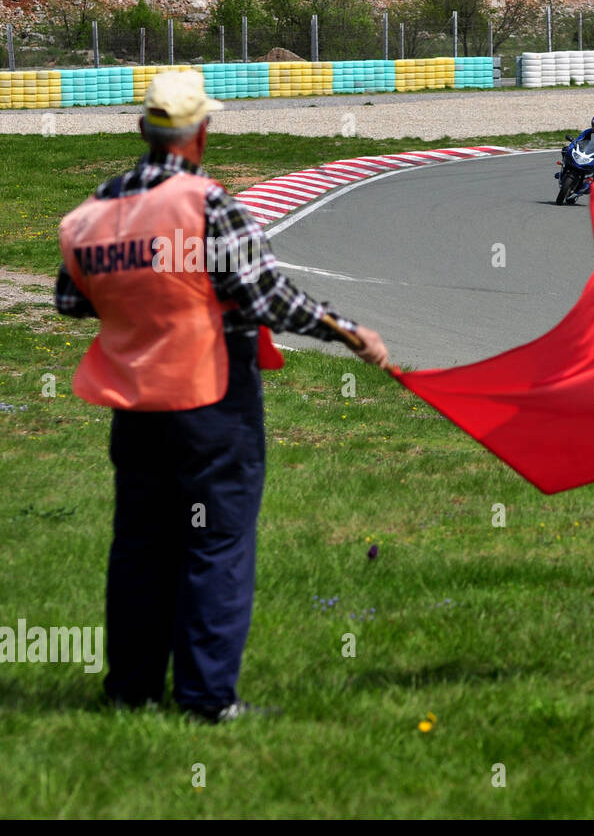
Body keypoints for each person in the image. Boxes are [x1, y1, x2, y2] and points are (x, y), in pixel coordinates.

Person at [55, 70, 390, 723]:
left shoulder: (96, 209)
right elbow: (264, 294)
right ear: (200, 133)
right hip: (212, 400)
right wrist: (346, 330)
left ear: (142, 130)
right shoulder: (207, 202)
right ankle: (207, 698)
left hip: (134, 402)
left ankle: (131, 689)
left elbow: (70, 298)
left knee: (141, 546)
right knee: (217, 542)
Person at [557, 114, 594, 201]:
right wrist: (571, 147)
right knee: (565, 150)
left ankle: (589, 187)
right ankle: (563, 169)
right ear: (592, 125)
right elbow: (577, 140)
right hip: (583, 152)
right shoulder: (587, 132)